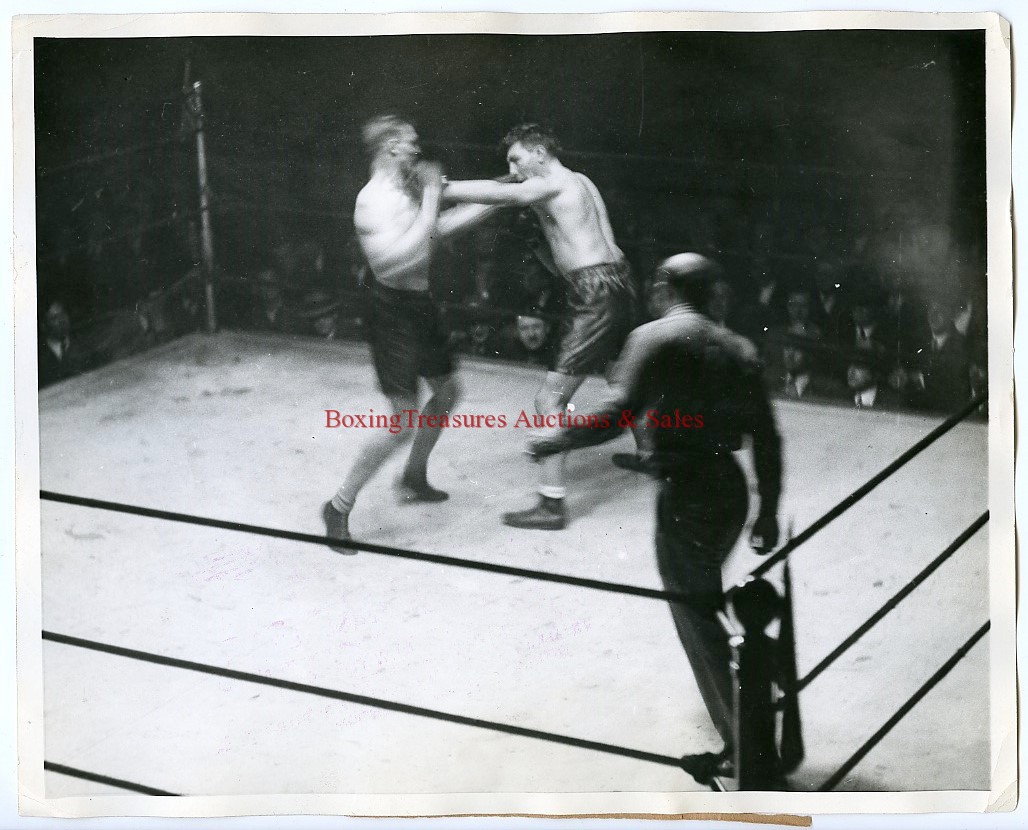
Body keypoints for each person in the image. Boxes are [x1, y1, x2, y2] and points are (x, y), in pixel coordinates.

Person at [525, 253, 782, 778]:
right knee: (704, 608)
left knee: (698, 616)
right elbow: (767, 436)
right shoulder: (737, 346)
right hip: (728, 487)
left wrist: (560, 436)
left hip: (687, 489)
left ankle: (749, 749)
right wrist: (768, 511)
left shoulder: (654, 337)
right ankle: (748, 738)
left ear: (666, 287)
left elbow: (618, 412)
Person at [444, 123, 636, 530]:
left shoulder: (548, 183)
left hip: (595, 293)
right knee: (621, 377)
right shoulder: (581, 181)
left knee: (549, 401)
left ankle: (552, 505)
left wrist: (439, 187)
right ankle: (653, 456)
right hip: (618, 282)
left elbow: (506, 194)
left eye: (517, 158)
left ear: (540, 154)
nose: (513, 168)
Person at [322, 115, 499, 547]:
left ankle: (413, 476)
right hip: (389, 309)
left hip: (419, 303)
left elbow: (436, 229)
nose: (418, 151)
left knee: (447, 391)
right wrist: (434, 197)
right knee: (402, 419)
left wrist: (504, 194)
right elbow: (395, 261)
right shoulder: (371, 202)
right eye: (412, 144)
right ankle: (339, 505)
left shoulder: (407, 189)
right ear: (392, 146)